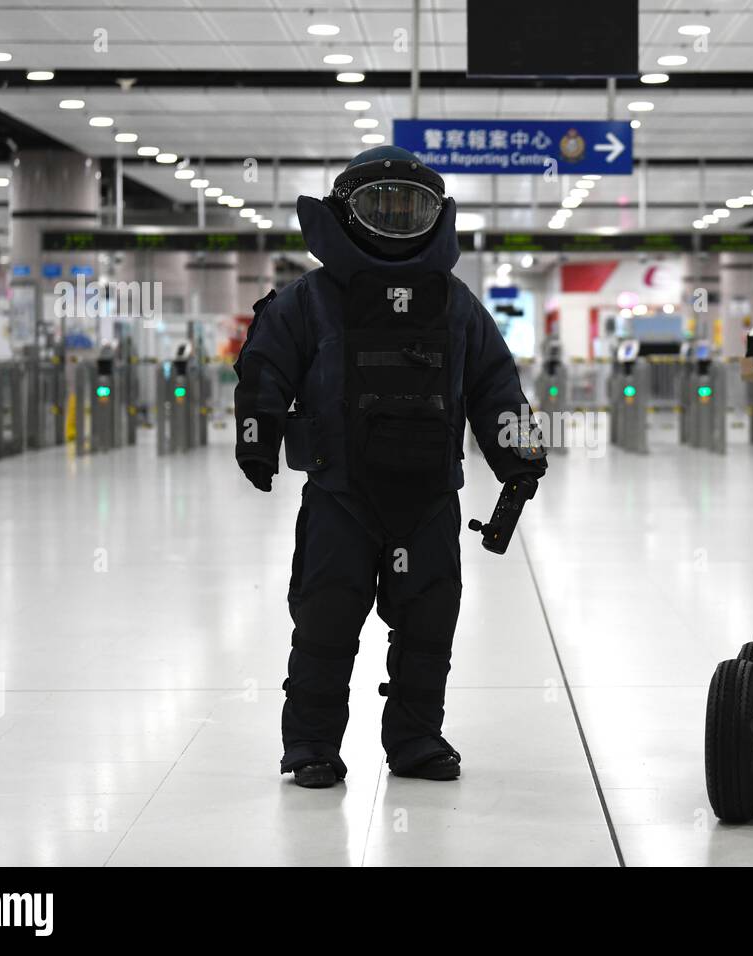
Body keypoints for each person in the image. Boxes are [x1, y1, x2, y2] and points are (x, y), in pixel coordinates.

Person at [233, 146, 547, 787]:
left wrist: (520, 458)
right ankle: (311, 745)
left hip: (430, 497)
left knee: (428, 627)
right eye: (382, 207)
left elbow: (495, 386)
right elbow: (264, 367)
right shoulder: (310, 301)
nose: (397, 220)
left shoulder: (456, 305)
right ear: (345, 214)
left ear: (438, 216)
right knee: (325, 624)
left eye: (412, 209)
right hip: (340, 496)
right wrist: (257, 437)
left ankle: (416, 739)